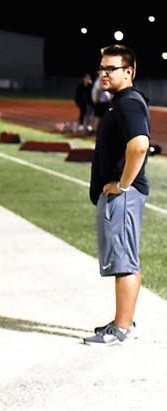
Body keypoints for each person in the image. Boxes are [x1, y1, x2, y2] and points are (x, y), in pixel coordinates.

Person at [84, 45, 150, 345]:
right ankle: (123, 321)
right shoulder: (120, 102)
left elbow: (139, 145)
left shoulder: (129, 103)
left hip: (124, 195)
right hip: (120, 195)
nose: (103, 73)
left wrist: (123, 185)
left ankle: (122, 329)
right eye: (101, 68)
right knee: (122, 260)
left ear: (129, 72)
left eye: (110, 69)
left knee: (124, 262)